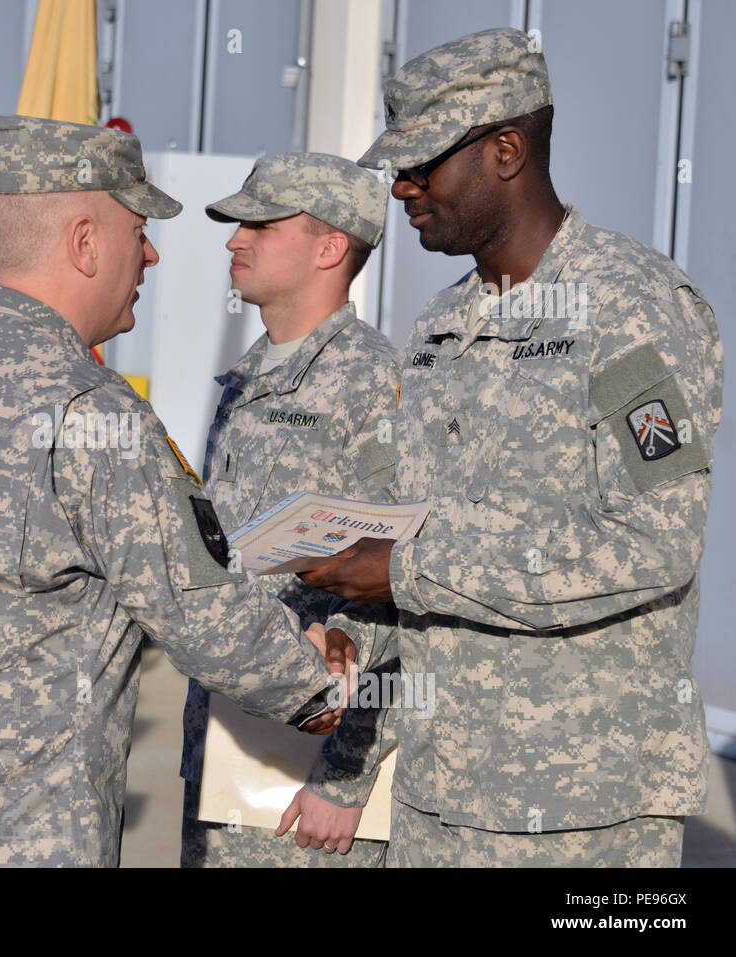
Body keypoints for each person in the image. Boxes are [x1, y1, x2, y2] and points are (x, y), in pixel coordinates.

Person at [0, 115, 345, 867]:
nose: (153, 253)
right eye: (139, 229)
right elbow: (201, 612)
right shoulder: (92, 415)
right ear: (84, 242)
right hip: (16, 841)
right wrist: (319, 680)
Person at [300, 27, 723, 866]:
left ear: (505, 150)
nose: (402, 188)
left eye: (422, 164)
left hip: (587, 818)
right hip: (438, 798)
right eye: (397, 169)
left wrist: (407, 567)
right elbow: (407, 544)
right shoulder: (435, 328)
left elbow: (654, 542)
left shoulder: (630, 307)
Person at [179, 152, 400, 867]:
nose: (234, 240)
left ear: (330, 247)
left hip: (308, 778)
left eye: (261, 224)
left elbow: (400, 587)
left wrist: (346, 771)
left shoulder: (371, 383)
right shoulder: (248, 376)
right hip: (223, 751)